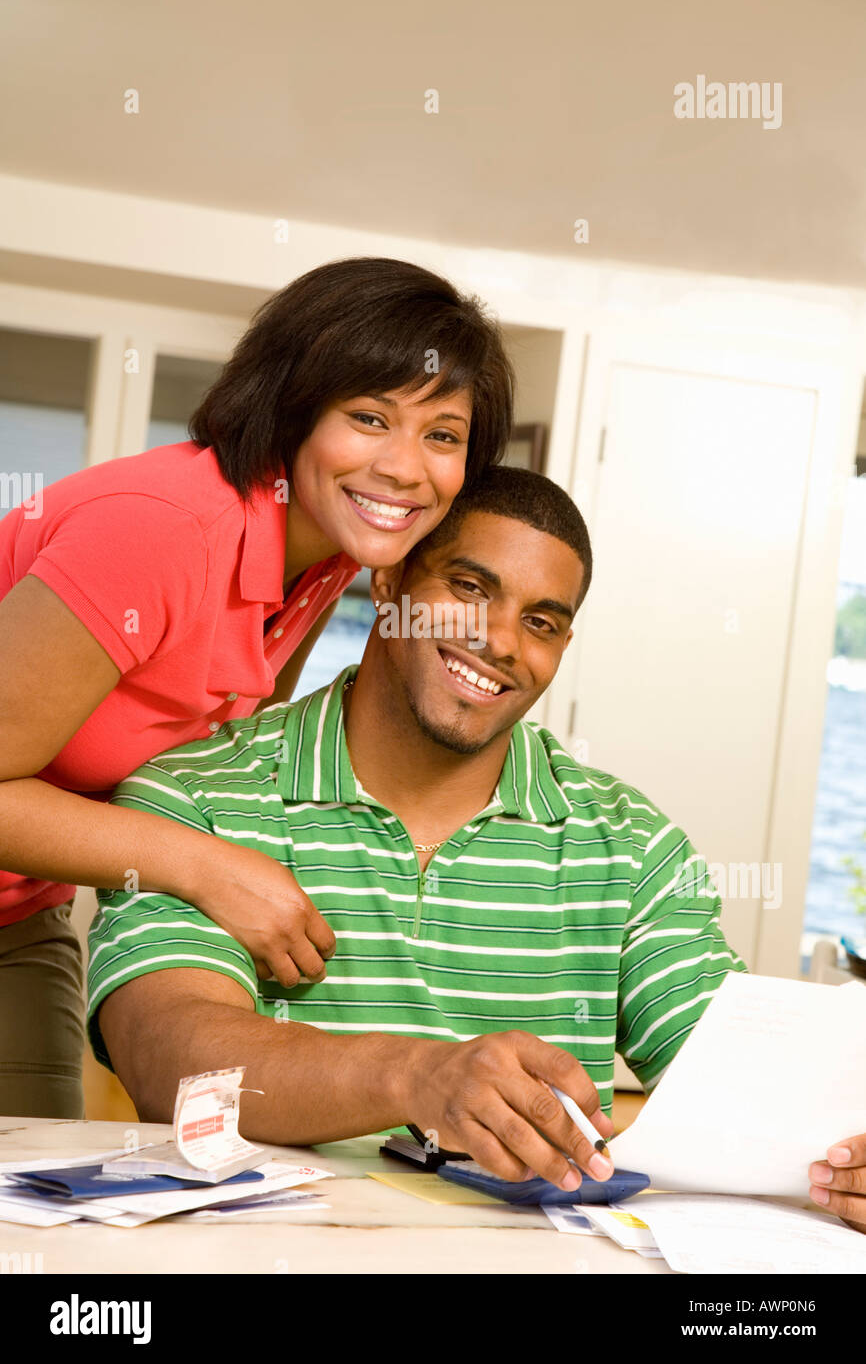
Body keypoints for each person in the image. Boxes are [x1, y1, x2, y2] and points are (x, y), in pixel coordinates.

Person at [87, 466, 779, 1203]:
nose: (502, 641)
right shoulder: (196, 797)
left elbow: (744, 1098)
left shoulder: (633, 848)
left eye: (541, 622)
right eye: (470, 588)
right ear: (387, 584)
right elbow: (173, 1065)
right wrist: (415, 1077)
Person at [0, 256, 514, 1117]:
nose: (403, 467)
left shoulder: (323, 556)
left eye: (442, 435)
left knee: (34, 1193)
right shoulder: (160, 530)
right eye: (368, 417)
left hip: (19, 909)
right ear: (291, 407)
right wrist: (204, 866)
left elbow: (226, 771)